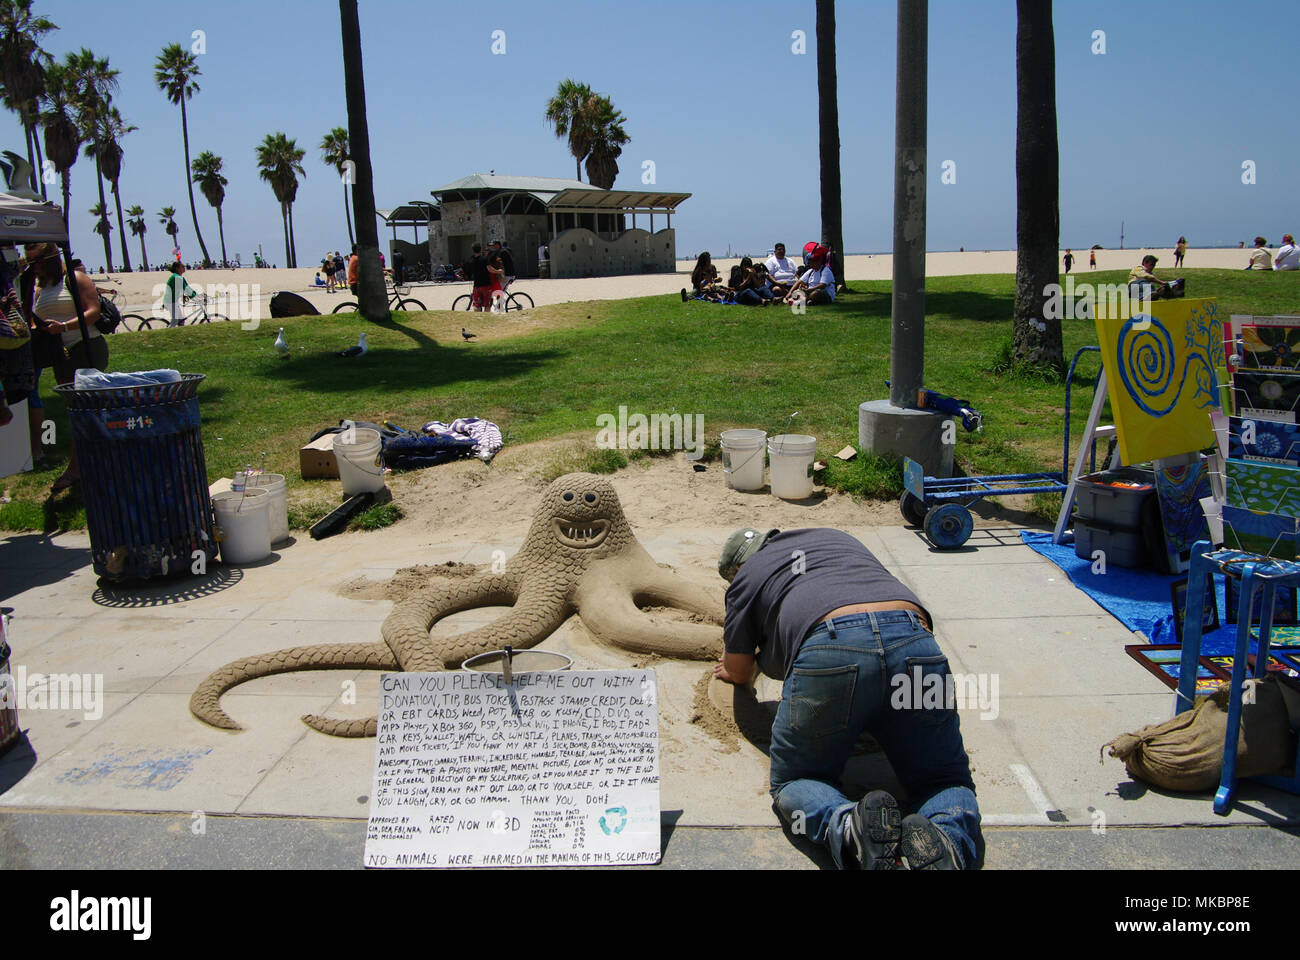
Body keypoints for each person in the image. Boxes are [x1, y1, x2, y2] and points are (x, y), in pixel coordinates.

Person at [715, 527, 983, 870]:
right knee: (944, 778)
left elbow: (737, 670)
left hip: (829, 647)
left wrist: (753, 662)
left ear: (737, 569)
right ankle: (948, 843)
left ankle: (848, 826)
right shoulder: (836, 539)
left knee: (797, 780)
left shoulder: (746, 579)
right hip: (914, 637)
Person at [29, 243, 107, 491]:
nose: (34, 266)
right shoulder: (41, 288)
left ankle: (76, 470)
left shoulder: (75, 279)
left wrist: (63, 327)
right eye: (30, 262)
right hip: (60, 354)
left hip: (85, 348)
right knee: (76, 411)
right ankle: (86, 465)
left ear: (50, 257)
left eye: (38, 260)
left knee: (82, 409)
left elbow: (93, 312)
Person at [163, 261, 198, 326]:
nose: (184, 267)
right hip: (171, 301)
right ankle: (167, 334)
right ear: (177, 268)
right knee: (175, 320)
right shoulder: (177, 277)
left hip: (172, 301)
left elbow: (187, 289)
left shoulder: (177, 277)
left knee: (181, 321)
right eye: (182, 266)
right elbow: (187, 290)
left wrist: (195, 295)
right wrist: (196, 297)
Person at [465, 242, 494, 312]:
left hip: (477, 285)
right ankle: (486, 320)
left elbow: (467, 270)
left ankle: (478, 319)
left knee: (477, 305)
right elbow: (490, 269)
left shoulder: (471, 260)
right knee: (487, 305)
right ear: (480, 250)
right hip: (486, 284)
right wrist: (499, 271)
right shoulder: (484, 259)